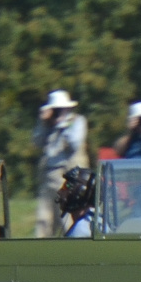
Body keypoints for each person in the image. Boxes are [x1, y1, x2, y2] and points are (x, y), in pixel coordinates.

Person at [32, 89, 89, 237]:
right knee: (44, 221)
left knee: (67, 220)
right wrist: (42, 122)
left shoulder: (77, 121)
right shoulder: (47, 126)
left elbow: (74, 143)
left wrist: (62, 124)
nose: (57, 113)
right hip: (48, 176)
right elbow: (36, 142)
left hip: (69, 177)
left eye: (59, 109)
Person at [57, 166, 97, 238]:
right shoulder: (97, 223)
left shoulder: (79, 232)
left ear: (80, 192)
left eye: (66, 187)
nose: (59, 192)